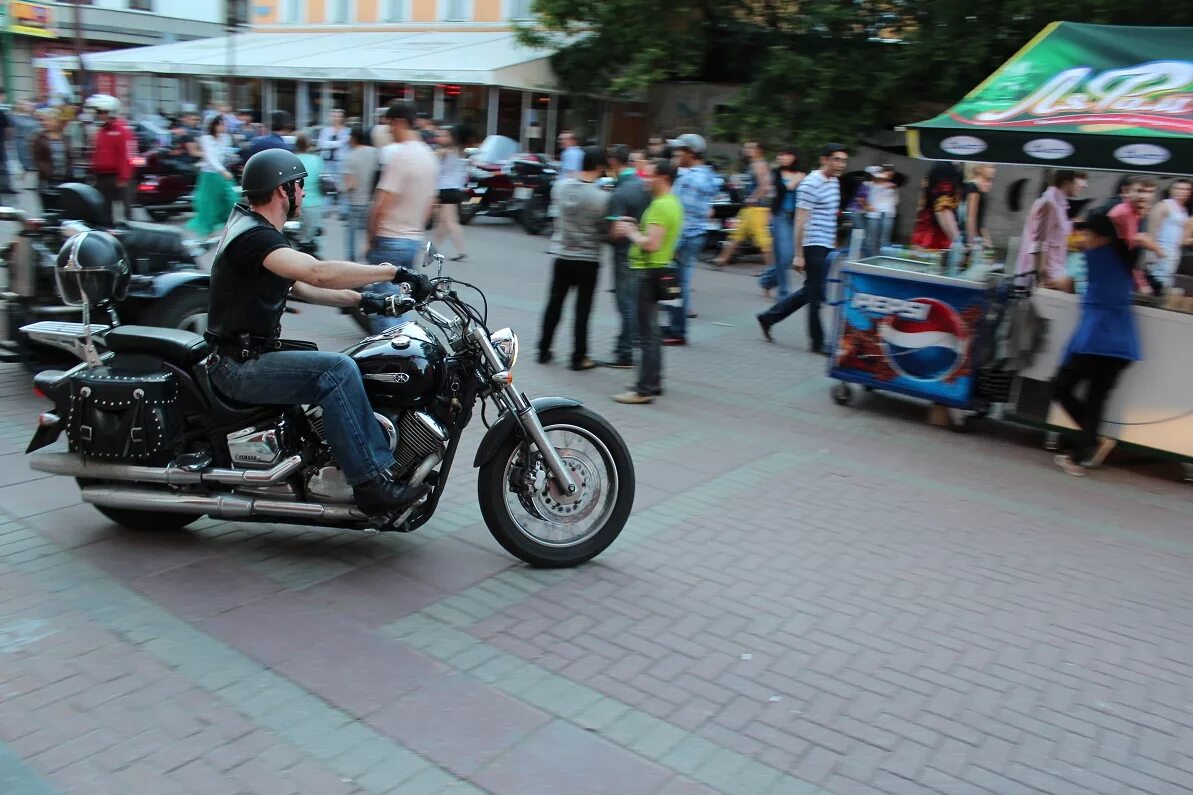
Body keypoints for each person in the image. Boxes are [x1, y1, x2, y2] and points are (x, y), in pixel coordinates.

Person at [204, 148, 431, 520]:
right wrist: (391, 273)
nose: (305, 194)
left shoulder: (255, 230)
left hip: (245, 356)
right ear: (283, 190)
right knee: (336, 371)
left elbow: (301, 286)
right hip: (237, 367)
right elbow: (318, 273)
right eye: (300, 186)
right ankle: (372, 483)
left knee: (340, 360)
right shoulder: (256, 239)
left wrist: (370, 301)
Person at [1050, 209, 1142, 477]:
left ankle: (1091, 441)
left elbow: (1066, 281)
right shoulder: (1124, 259)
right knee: (1095, 400)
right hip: (1122, 343)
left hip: (1097, 340)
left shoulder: (1096, 257)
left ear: (1101, 237)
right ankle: (1082, 453)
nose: (1083, 237)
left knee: (1060, 388)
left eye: (1088, 232)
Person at [756, 143, 848, 355]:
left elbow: (829, 216)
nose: (841, 164)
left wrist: (833, 243)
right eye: (837, 159)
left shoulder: (834, 181)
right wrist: (798, 254)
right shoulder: (810, 183)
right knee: (815, 295)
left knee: (812, 291)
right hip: (812, 243)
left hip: (825, 245)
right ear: (824, 159)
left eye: (843, 160)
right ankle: (817, 342)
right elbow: (800, 220)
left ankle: (769, 317)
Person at [611, 160, 683, 405]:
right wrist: (637, 227)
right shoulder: (672, 203)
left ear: (662, 178)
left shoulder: (661, 206)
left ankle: (644, 388)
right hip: (657, 270)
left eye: (650, 176)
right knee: (651, 331)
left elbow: (652, 244)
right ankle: (653, 381)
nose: (645, 181)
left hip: (647, 271)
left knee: (646, 333)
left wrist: (630, 233)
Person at [364, 101, 439, 332]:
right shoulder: (429, 156)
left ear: (399, 123)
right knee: (402, 302)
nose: (388, 132)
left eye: (389, 126)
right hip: (412, 240)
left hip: (389, 238)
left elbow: (381, 204)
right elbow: (431, 204)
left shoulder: (401, 156)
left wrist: (371, 237)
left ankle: (392, 355)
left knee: (384, 305)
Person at [537, 147, 610, 371]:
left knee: (554, 304)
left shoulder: (560, 188)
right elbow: (604, 229)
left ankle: (543, 349)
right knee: (583, 309)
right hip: (588, 258)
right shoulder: (602, 198)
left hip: (562, 254)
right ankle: (579, 356)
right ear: (599, 167)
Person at [665, 133, 720, 345]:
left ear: (690, 152)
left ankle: (676, 329)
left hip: (682, 235)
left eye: (680, 151)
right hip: (698, 234)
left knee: (672, 282)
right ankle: (677, 329)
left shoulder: (687, 178)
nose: (676, 154)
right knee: (684, 282)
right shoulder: (708, 175)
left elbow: (676, 210)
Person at [600, 144, 651, 369]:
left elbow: (614, 232)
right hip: (641, 252)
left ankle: (625, 352)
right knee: (634, 302)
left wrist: (602, 234)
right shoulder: (643, 186)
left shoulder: (620, 192)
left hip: (624, 254)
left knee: (626, 305)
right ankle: (632, 343)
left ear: (613, 161)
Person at [1015, 169, 1088, 292]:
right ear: (1066, 181)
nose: (1084, 185)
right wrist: (1040, 279)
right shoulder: (1049, 203)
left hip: (1054, 274)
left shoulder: (1059, 205)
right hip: (1045, 280)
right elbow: (1038, 244)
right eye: (1080, 179)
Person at [715, 142, 773, 270]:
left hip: (757, 207)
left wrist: (753, 198)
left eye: (751, 147)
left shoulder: (760, 164)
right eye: (746, 147)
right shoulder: (752, 165)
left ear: (759, 150)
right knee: (736, 234)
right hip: (749, 207)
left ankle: (772, 268)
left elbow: (764, 186)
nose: (747, 150)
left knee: (762, 239)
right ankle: (722, 259)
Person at [760, 147, 806, 297]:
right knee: (784, 256)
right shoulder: (775, 174)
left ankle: (767, 281)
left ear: (794, 157)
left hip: (796, 217)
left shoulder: (804, 174)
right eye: (780, 155)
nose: (781, 157)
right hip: (779, 217)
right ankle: (784, 292)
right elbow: (773, 194)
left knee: (788, 257)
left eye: (785, 155)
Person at [1108, 176, 1165, 293]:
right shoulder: (1123, 212)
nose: (1145, 196)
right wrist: (1157, 249)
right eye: (1140, 191)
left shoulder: (1138, 213)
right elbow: (1130, 246)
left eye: (1150, 192)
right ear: (1128, 192)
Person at [86, 94, 135, 225]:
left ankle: (130, 230)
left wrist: (124, 177)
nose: (99, 115)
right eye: (98, 112)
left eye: (101, 112)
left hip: (117, 176)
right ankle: (107, 229)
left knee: (126, 208)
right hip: (102, 176)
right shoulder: (101, 131)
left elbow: (128, 155)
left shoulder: (123, 131)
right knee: (104, 207)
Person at [186, 115, 237, 235]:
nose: (223, 127)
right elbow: (210, 157)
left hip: (222, 174)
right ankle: (211, 228)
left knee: (232, 198)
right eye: (220, 124)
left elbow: (226, 153)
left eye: (224, 124)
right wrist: (222, 170)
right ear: (213, 126)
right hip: (210, 175)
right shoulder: (206, 139)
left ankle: (230, 224)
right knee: (209, 204)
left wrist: (232, 157)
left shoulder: (226, 137)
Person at [911, 161, 963, 268]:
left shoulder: (943, 167)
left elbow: (922, 202)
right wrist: (957, 240)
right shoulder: (945, 168)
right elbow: (942, 207)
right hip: (935, 236)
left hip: (927, 231)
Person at [1146, 178, 1192, 291]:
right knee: (1156, 283)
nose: (1182, 192)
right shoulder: (1163, 205)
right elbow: (1151, 230)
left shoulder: (1184, 211)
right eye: (1179, 188)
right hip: (1159, 252)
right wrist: (1152, 253)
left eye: (1186, 189)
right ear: (1171, 190)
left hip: (1173, 254)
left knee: (1166, 285)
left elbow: (1182, 239)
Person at [432, 126, 468, 261]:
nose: (440, 138)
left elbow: (435, 169)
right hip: (454, 189)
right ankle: (434, 248)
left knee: (450, 221)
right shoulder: (460, 152)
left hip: (446, 189)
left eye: (444, 136)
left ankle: (461, 250)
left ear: (452, 138)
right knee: (442, 222)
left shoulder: (444, 152)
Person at [342, 126, 377, 262]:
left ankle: (352, 262)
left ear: (353, 138)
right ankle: (370, 260)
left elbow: (351, 184)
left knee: (352, 235)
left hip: (356, 201)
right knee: (369, 234)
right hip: (372, 200)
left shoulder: (351, 157)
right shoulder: (375, 153)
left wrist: (340, 189)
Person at [32, 108, 73, 200]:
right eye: (43, 120)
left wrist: (69, 171)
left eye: (48, 120)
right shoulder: (39, 138)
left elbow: (69, 157)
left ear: (57, 121)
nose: (45, 123)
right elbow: (37, 159)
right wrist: (46, 172)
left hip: (64, 180)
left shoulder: (65, 137)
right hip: (47, 180)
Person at [293, 133, 326, 244]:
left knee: (295, 240)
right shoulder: (317, 160)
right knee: (310, 240)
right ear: (308, 146)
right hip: (314, 204)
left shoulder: (291, 159)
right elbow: (323, 180)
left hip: (295, 204)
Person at [318, 108, 351, 215]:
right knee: (328, 185)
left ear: (342, 118)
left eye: (338, 116)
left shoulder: (347, 131)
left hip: (341, 161)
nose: (336, 118)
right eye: (334, 116)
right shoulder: (325, 130)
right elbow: (321, 144)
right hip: (327, 161)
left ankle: (343, 211)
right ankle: (325, 209)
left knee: (342, 187)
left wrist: (330, 143)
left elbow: (345, 144)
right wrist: (337, 143)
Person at [863, 164, 899, 257]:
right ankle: (870, 257)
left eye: (891, 175)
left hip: (888, 213)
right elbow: (862, 197)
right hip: (874, 213)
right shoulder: (869, 184)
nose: (888, 177)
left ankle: (883, 258)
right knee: (871, 238)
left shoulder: (893, 187)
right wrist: (866, 206)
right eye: (887, 174)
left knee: (885, 238)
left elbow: (896, 201)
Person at [962, 162, 996, 251]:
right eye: (990, 167)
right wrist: (971, 243)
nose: (993, 171)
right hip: (972, 236)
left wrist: (987, 238)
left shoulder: (981, 187)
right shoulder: (973, 187)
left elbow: (980, 217)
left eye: (994, 167)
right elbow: (970, 217)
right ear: (979, 168)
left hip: (979, 235)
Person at [0, 91, 12, 195]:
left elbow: (7, 127)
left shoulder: (1, 113)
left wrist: (6, 141)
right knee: (3, 166)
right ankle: (5, 186)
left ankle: (5, 186)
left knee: (3, 165)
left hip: (1, 143)